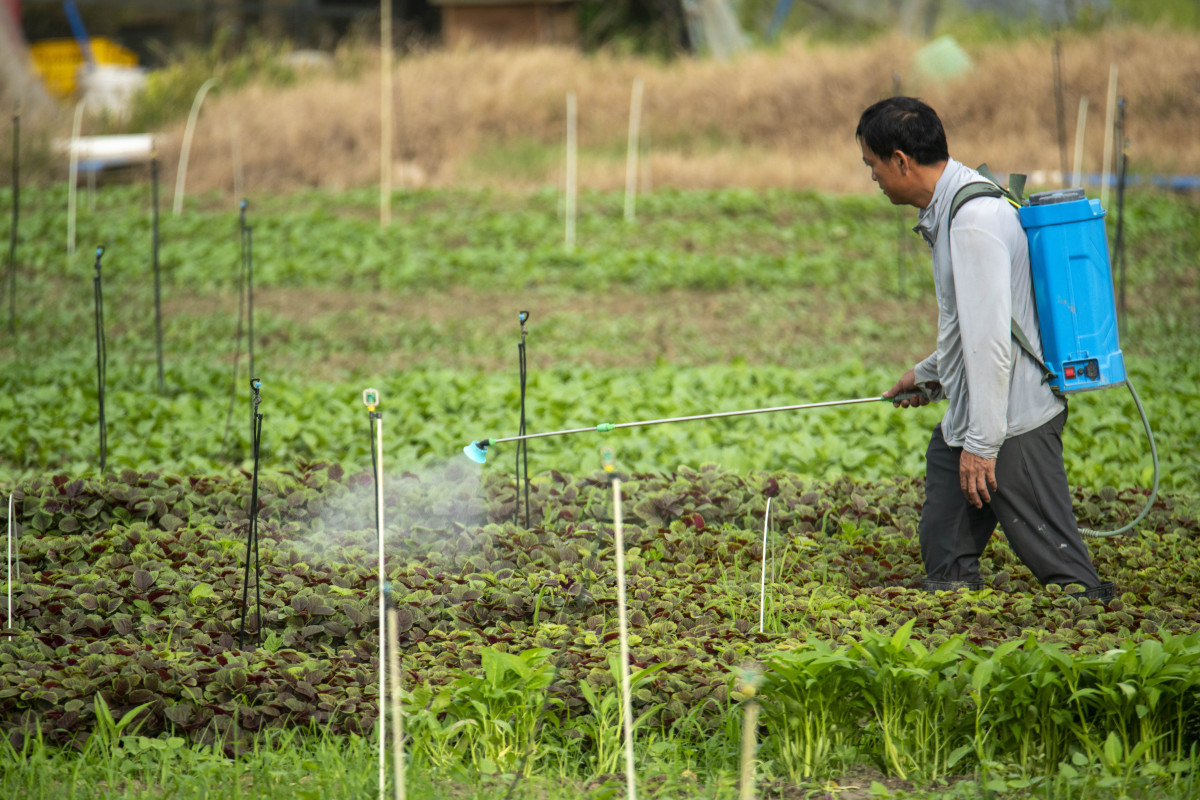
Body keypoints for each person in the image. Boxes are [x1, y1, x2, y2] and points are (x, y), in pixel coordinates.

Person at [856, 96, 1113, 602]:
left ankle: (1092, 621)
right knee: (944, 535)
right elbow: (969, 327)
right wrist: (927, 375)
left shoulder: (972, 224)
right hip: (979, 416)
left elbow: (992, 344)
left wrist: (984, 443)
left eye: (873, 166)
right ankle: (956, 614)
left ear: (902, 161)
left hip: (1014, 421)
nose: (874, 178)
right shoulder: (955, 206)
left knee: (1063, 571)